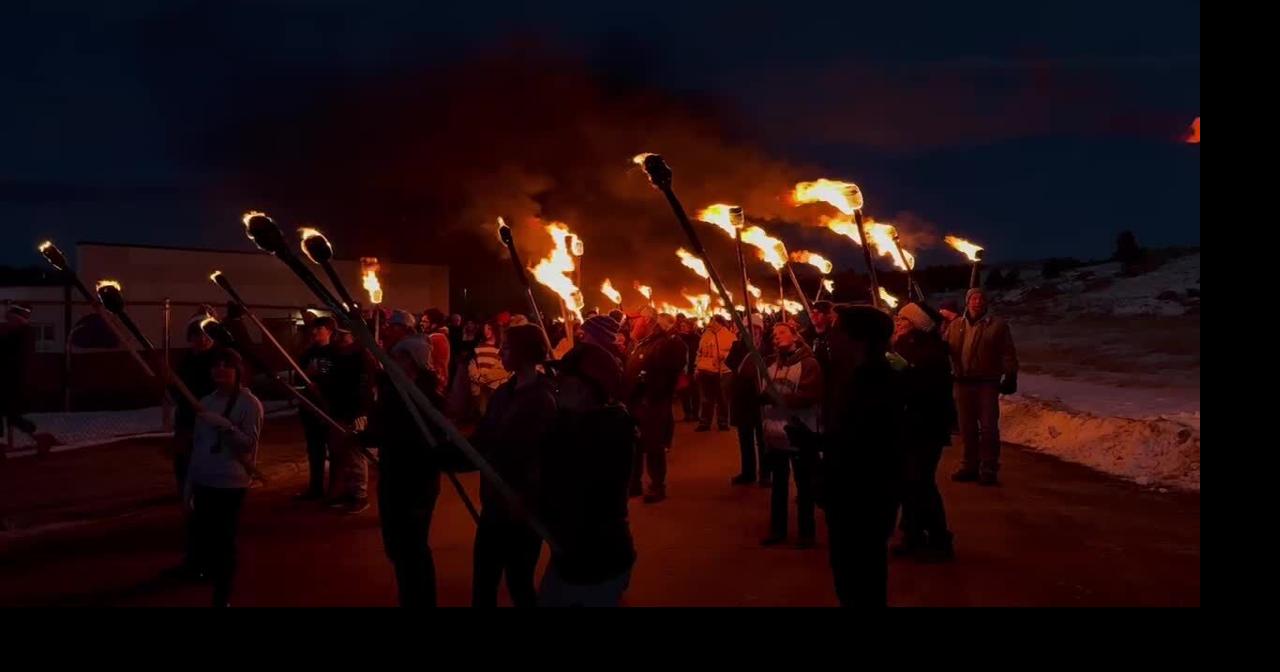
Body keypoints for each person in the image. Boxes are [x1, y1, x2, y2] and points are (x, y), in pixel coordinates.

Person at [786, 305, 904, 607]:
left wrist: (814, 446)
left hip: (861, 497)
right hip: (864, 495)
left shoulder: (871, 382)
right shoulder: (864, 375)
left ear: (859, 340)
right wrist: (815, 439)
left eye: (840, 329)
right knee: (861, 573)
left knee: (857, 575)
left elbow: (859, 444)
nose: (834, 334)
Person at [537, 342, 636, 607]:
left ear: (585, 389)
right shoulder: (576, 424)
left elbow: (570, 488)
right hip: (572, 554)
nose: (556, 388)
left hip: (597, 558)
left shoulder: (607, 432)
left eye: (563, 383)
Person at [470, 323, 556, 607]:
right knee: (484, 580)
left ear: (525, 352)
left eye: (507, 348)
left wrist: (527, 497)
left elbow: (540, 456)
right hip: (495, 501)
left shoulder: (544, 398)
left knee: (519, 581)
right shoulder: (504, 393)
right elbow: (484, 438)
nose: (501, 352)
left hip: (521, 507)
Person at [362, 335, 447, 606]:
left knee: (413, 548)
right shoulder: (391, 391)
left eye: (399, 356)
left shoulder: (428, 397)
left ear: (413, 362)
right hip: (392, 477)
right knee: (397, 548)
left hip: (417, 482)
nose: (393, 361)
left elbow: (425, 440)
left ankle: (421, 601)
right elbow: (380, 431)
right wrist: (361, 437)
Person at [184, 348, 264, 607]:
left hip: (230, 482)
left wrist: (225, 426)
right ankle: (207, 574)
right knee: (205, 536)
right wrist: (190, 483)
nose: (220, 370)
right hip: (204, 478)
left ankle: (222, 595)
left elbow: (248, 445)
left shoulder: (249, 404)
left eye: (226, 365)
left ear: (238, 370)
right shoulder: (205, 402)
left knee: (223, 539)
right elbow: (198, 444)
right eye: (215, 365)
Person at [891, 303, 956, 561]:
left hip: (926, 427)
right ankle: (913, 533)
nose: (898, 322)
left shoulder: (932, 352)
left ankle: (939, 539)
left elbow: (928, 391)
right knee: (909, 483)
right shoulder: (902, 346)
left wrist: (906, 371)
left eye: (903, 319)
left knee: (921, 483)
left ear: (917, 325)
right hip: (908, 425)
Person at [945, 288, 1018, 485]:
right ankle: (969, 465)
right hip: (962, 382)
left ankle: (989, 468)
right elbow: (945, 349)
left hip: (987, 382)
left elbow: (1007, 353)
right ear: (967, 302)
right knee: (966, 427)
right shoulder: (955, 326)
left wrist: (1010, 376)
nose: (977, 301)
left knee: (988, 427)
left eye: (981, 298)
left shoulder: (997, 326)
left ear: (986, 303)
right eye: (974, 298)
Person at [760, 322, 823, 547]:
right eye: (773, 334)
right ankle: (778, 529)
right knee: (778, 486)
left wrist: (778, 399)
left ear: (796, 337)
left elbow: (808, 396)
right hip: (776, 434)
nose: (776, 337)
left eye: (782, 332)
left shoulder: (808, 364)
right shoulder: (771, 364)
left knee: (804, 486)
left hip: (799, 433)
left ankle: (807, 533)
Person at [622, 310, 688, 503]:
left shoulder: (665, 344)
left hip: (652, 403)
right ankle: (634, 484)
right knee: (635, 445)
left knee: (653, 445)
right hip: (634, 402)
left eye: (636, 322)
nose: (632, 327)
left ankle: (657, 486)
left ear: (648, 322)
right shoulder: (642, 343)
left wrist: (649, 387)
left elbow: (671, 367)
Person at [321, 325, 375, 514]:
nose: (339, 338)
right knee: (342, 453)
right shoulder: (337, 355)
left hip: (355, 411)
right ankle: (348, 491)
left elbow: (366, 387)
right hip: (338, 409)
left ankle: (360, 495)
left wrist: (362, 412)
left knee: (354, 453)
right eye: (339, 334)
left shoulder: (363, 357)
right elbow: (333, 381)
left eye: (345, 335)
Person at [1, 303, 58, 453]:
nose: (8, 321)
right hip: (13, 381)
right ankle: (37, 436)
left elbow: (10, 357)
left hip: (13, 382)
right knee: (11, 414)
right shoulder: (19, 334)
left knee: (10, 413)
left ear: (18, 319)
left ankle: (37, 435)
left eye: (11, 318)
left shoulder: (19, 335)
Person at [296, 316, 340, 501]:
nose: (315, 332)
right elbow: (298, 378)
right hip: (310, 408)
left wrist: (323, 385)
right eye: (314, 328)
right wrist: (307, 376)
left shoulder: (337, 354)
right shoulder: (308, 353)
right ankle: (315, 488)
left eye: (319, 328)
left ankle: (335, 490)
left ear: (330, 331)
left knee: (335, 450)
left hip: (330, 409)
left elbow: (341, 381)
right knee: (315, 450)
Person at [728, 314, 768, 486]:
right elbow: (733, 364)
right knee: (745, 438)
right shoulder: (738, 346)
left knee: (764, 439)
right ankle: (748, 472)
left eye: (755, 328)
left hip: (761, 398)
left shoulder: (768, 347)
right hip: (743, 397)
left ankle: (766, 474)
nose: (752, 331)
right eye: (748, 328)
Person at [694, 314, 736, 432]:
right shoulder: (706, 335)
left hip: (723, 371)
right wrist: (697, 367)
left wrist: (724, 355)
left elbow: (734, 353)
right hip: (706, 371)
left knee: (722, 398)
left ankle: (722, 421)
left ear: (718, 322)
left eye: (712, 320)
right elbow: (700, 352)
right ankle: (704, 422)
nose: (709, 323)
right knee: (706, 399)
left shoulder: (729, 336)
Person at [467, 320, 510, 416]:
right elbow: (472, 365)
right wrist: (477, 377)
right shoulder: (478, 348)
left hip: (495, 386)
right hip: (481, 387)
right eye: (485, 329)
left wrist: (486, 377)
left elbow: (503, 368)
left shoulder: (501, 349)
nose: (486, 331)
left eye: (489, 328)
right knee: (483, 412)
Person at [421, 309, 452, 396]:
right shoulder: (440, 336)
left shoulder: (435, 338)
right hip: (438, 381)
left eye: (425, 321)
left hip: (435, 382)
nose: (421, 323)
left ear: (434, 324)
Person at [676, 317, 701, 422]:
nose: (682, 328)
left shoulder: (697, 338)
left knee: (695, 392)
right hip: (683, 369)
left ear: (691, 327)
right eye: (681, 326)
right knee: (684, 392)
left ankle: (695, 414)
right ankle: (687, 413)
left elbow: (698, 352)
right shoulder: (679, 338)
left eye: (684, 326)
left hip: (693, 368)